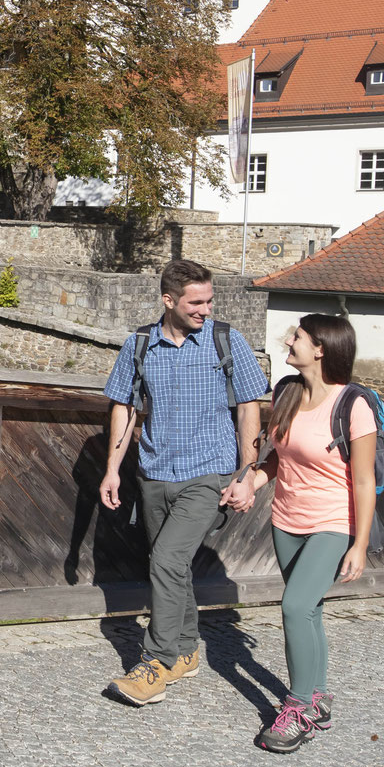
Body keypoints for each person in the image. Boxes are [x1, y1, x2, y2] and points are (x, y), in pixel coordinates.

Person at [100, 258, 270, 706]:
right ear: (168, 300)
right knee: (170, 564)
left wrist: (247, 474)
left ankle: (155, 662)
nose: (206, 310)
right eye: (196, 302)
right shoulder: (139, 344)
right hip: (154, 474)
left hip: (208, 474)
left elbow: (250, 406)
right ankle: (187, 651)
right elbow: (124, 407)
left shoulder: (225, 340)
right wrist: (113, 468)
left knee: (166, 561)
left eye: (210, 300)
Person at [222, 313, 377, 753]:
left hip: (332, 524)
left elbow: (363, 481)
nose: (289, 341)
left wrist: (360, 544)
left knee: (293, 607)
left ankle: (298, 708)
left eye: (299, 337)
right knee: (308, 611)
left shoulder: (354, 404)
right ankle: (319, 695)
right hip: (286, 521)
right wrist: (249, 481)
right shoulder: (286, 392)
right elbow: (276, 461)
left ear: (322, 348)